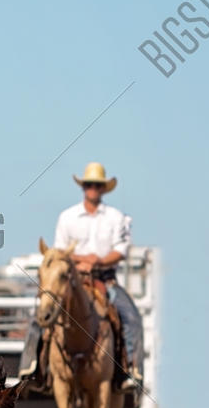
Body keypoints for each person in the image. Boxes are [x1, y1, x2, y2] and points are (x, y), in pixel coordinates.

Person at [19, 161, 142, 386]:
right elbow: (58, 252)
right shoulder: (67, 217)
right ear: (83, 187)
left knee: (130, 317)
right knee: (42, 314)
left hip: (105, 279)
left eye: (96, 185)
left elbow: (121, 250)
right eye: (88, 185)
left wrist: (100, 262)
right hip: (71, 280)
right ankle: (32, 367)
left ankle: (131, 368)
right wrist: (86, 261)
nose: (92, 189)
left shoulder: (116, 217)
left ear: (104, 188)